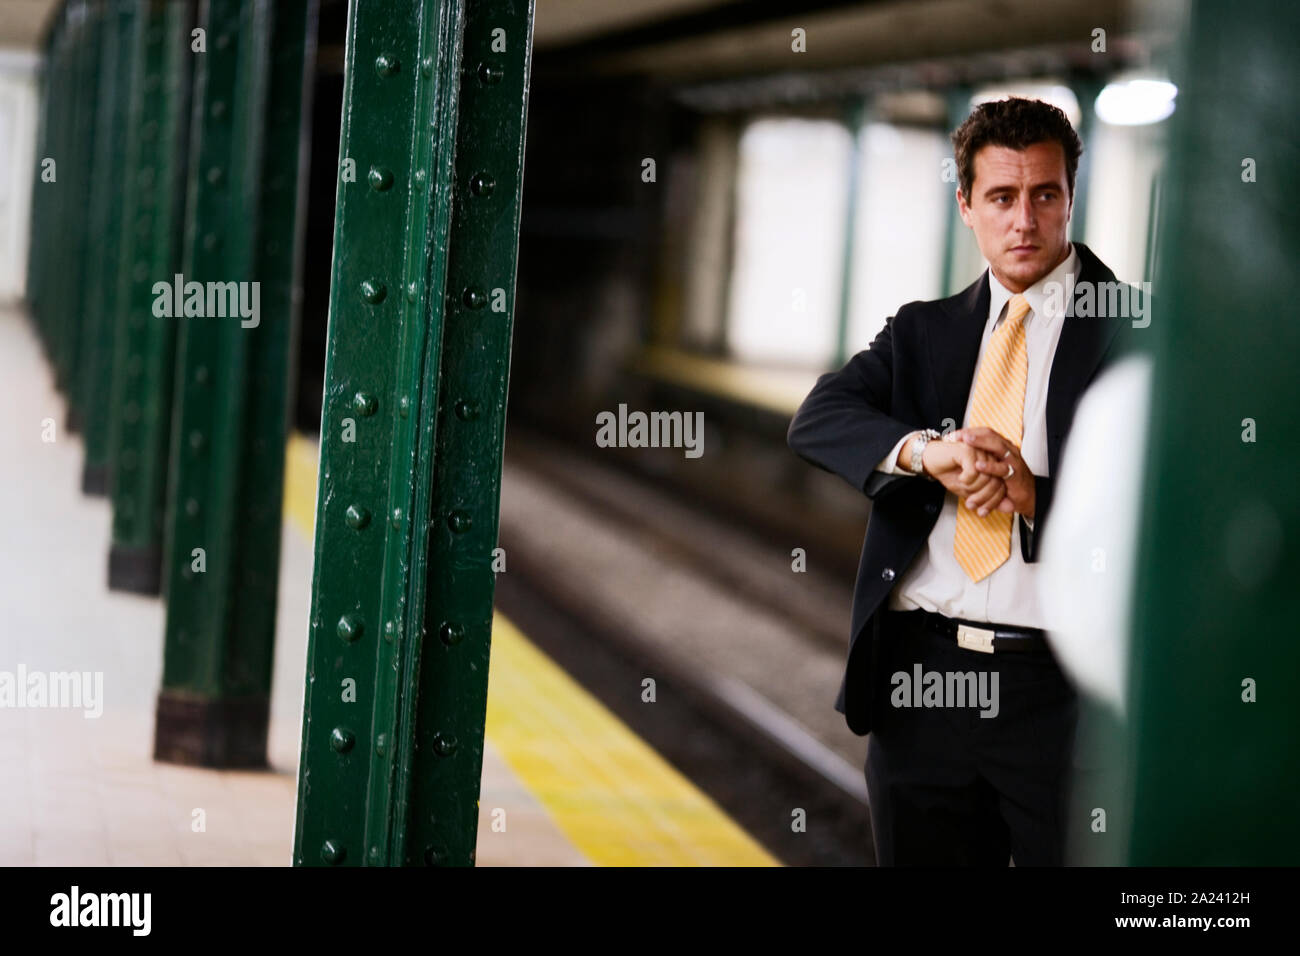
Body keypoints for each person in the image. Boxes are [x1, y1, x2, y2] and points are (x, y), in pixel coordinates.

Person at [787, 97, 1138, 865]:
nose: (1024, 221)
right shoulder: (925, 330)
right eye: (1002, 199)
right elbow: (818, 417)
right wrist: (925, 452)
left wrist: (1038, 496)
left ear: (1071, 198)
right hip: (923, 683)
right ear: (966, 205)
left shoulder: (1136, 333)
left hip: (1064, 693)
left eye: (1045, 195)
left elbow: (1180, 506)